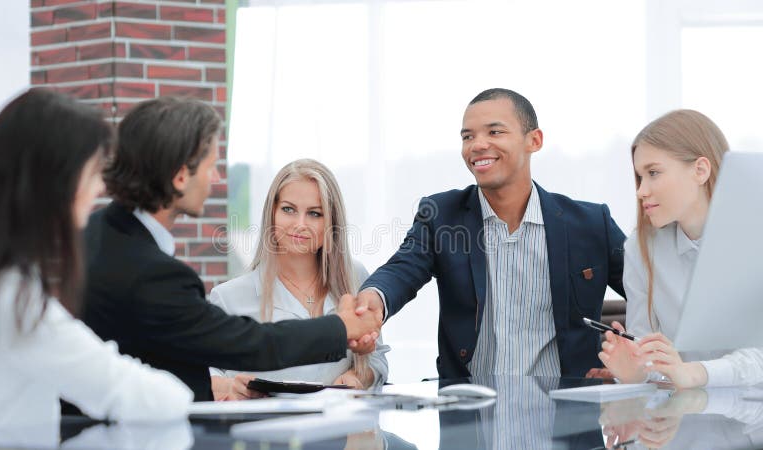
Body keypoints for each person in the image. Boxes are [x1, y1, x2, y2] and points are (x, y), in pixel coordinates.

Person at [81, 97, 380, 402]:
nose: (217, 178)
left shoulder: (91, 235)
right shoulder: (157, 275)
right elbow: (252, 343)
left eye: (314, 213)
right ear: (181, 176)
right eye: (211, 166)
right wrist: (342, 328)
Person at [352, 88, 626, 378]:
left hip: (566, 414)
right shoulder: (442, 215)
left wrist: (636, 366)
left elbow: (652, 294)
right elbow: (401, 270)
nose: (477, 145)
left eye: (494, 132)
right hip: (471, 412)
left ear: (534, 140)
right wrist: (373, 300)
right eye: (467, 136)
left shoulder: (591, 224)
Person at [0, 89, 193, 432]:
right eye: (93, 172)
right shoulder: (15, 301)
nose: (100, 187)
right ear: (56, 179)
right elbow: (139, 394)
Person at [598, 109, 763, 388]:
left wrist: (694, 373)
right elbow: (654, 358)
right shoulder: (641, 248)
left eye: (653, 173)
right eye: (640, 177)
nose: (641, 191)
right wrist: (636, 370)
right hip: (680, 421)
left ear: (700, 170)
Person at [209, 159, 389, 400]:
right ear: (271, 214)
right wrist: (224, 387)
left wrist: (358, 377)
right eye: (288, 209)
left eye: (314, 213)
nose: (300, 224)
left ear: (331, 224)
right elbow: (201, 375)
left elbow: (377, 360)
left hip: (338, 431)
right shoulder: (228, 297)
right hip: (262, 434)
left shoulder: (354, 278)